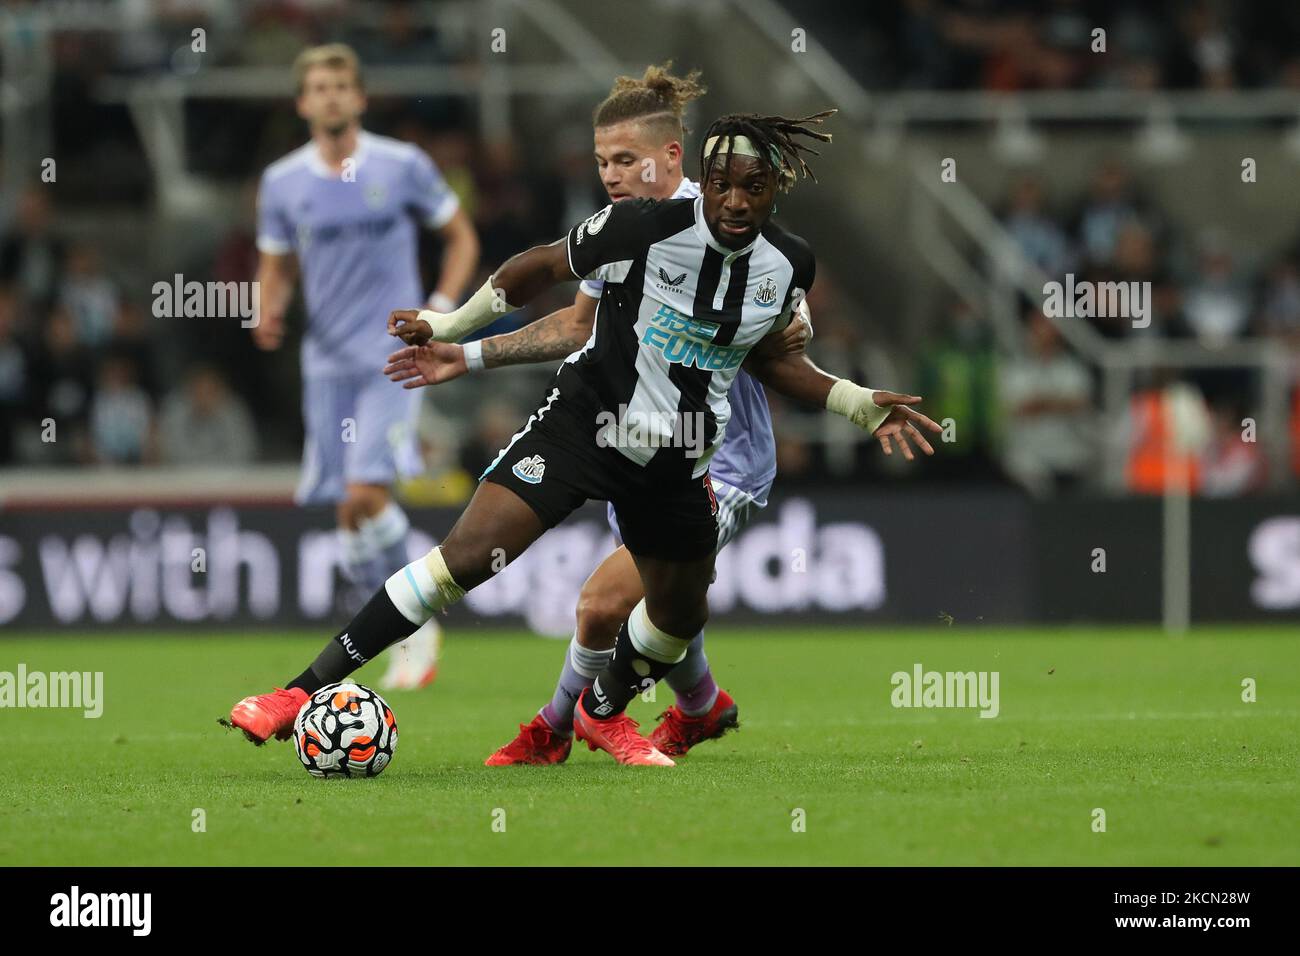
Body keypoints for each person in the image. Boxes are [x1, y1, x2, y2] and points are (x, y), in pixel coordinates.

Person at [231, 108, 938, 766]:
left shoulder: (790, 266)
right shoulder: (643, 226)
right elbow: (535, 270)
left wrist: (858, 402)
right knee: (465, 559)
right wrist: (450, 327)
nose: (734, 202)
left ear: (772, 188)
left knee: (675, 615)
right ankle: (294, 692)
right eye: (721, 185)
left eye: (751, 188)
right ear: (704, 179)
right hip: (585, 427)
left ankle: (609, 710)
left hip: (679, 460)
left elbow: (771, 358)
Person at [253, 44, 480, 689]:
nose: (329, 96)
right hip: (325, 363)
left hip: (392, 360)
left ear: (359, 96)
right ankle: (392, 624)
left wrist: (439, 311)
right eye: (317, 87)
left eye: (340, 85)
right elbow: (274, 264)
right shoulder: (282, 183)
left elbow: (461, 237)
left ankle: (416, 626)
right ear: (302, 102)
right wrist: (269, 306)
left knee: (364, 495)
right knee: (347, 511)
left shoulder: (402, 165)